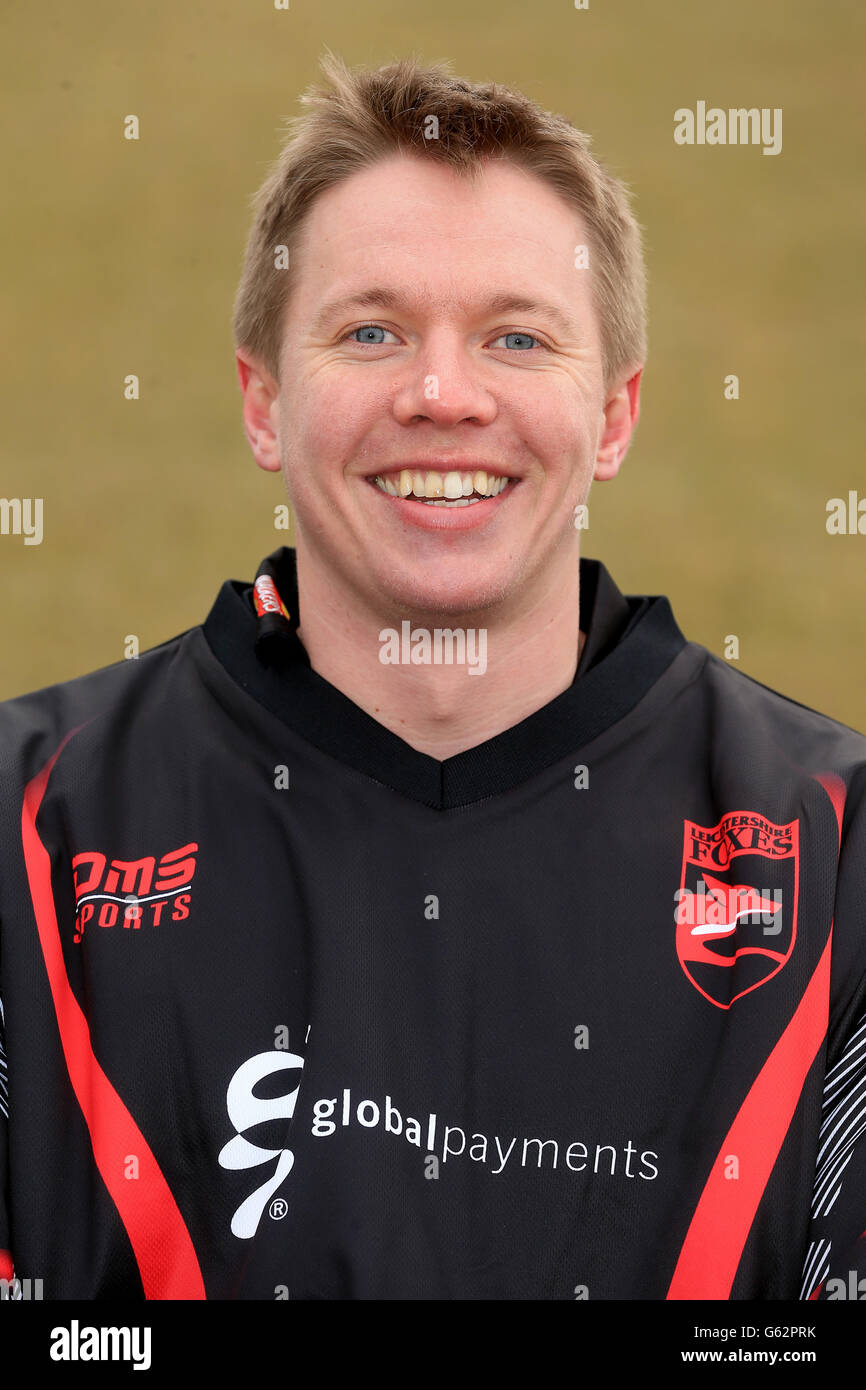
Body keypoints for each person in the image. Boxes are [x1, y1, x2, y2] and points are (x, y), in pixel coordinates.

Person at [0, 50, 863, 1302]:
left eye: (516, 336)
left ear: (613, 416)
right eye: (370, 331)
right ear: (262, 401)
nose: (443, 395)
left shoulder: (832, 849)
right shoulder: (30, 829)